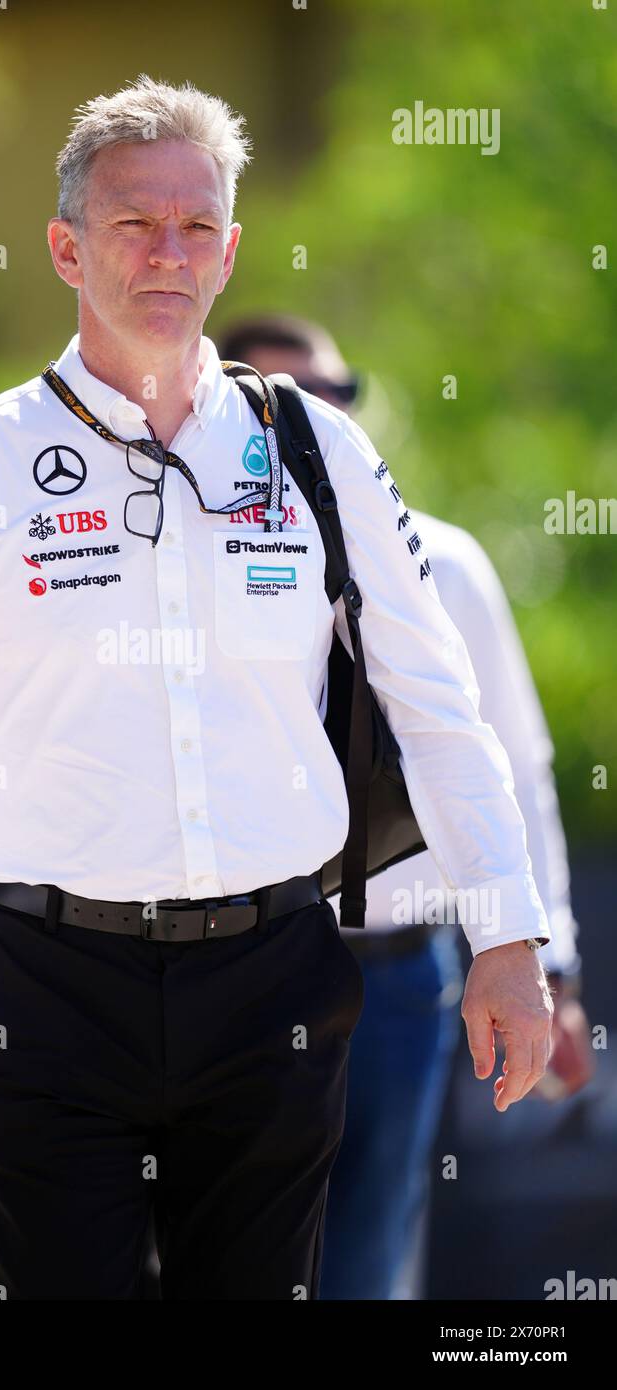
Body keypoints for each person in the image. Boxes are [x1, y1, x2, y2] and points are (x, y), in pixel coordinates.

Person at [0, 75, 556, 1302]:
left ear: (232, 247)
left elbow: (437, 700)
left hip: (277, 980)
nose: (168, 252)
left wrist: (509, 933)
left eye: (197, 226)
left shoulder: (316, 446)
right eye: (134, 223)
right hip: (41, 984)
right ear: (65, 247)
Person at [218, 313, 592, 1299]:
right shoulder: (178, 571)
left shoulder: (446, 561)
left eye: (328, 399)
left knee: (372, 1254)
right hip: (228, 960)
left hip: (397, 969)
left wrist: (544, 958)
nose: (304, 426)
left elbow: (515, 761)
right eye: (269, 402)